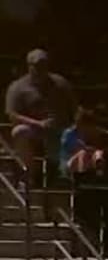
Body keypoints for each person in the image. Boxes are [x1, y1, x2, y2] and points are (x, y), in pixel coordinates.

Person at [6, 49, 74, 181]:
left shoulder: (60, 84)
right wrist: (37, 123)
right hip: (34, 129)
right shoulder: (18, 87)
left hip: (59, 128)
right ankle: (29, 176)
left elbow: (74, 107)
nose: (40, 69)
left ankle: (63, 177)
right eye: (36, 66)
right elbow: (12, 114)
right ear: (29, 66)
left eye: (44, 65)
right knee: (19, 131)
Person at [59, 106, 107, 177]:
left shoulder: (87, 133)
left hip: (87, 160)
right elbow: (73, 147)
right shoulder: (69, 133)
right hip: (69, 162)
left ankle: (99, 173)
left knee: (98, 153)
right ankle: (81, 176)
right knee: (83, 153)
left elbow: (100, 132)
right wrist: (87, 148)